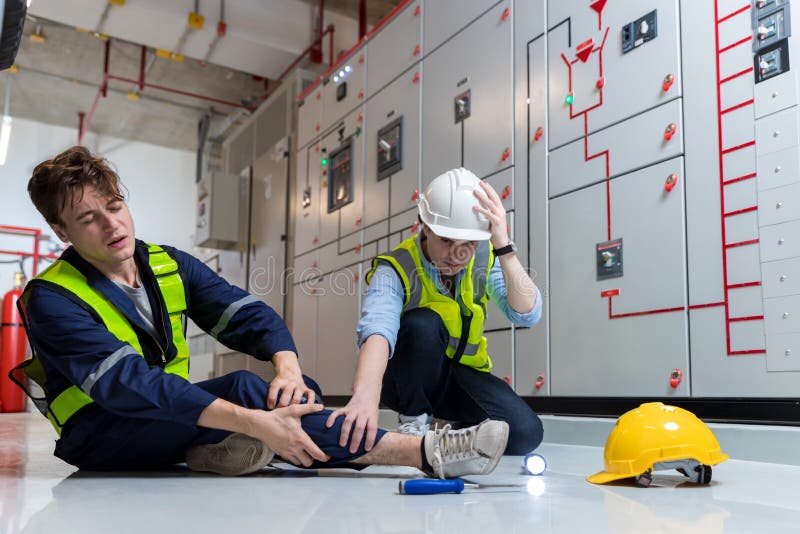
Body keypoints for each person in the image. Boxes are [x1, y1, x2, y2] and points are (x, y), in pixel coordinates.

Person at [10, 147, 509, 479]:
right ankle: (427, 454)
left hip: (167, 416)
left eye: (114, 206)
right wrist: (254, 420)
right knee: (252, 396)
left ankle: (211, 451)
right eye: (88, 218)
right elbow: (131, 386)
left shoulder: (163, 262)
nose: (112, 224)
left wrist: (287, 369)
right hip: (102, 432)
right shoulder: (51, 298)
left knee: (290, 391)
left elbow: (247, 314)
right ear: (61, 231)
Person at [327, 168, 544, 456]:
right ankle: (414, 426)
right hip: (407, 379)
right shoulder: (396, 267)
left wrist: (502, 246)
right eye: (446, 241)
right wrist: (364, 398)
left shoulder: (484, 259)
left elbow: (527, 313)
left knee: (525, 434)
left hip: (460, 378)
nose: (457, 255)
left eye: (468, 243)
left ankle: (445, 433)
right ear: (424, 227)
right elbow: (377, 330)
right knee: (422, 324)